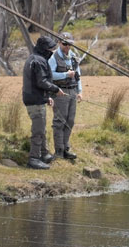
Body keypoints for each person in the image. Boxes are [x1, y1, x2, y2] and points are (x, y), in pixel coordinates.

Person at [21, 36, 64, 169]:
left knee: (42, 127)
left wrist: (46, 98)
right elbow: (41, 82)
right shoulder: (38, 61)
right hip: (34, 100)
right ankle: (33, 159)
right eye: (50, 49)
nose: (52, 51)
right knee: (38, 130)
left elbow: (36, 82)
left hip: (35, 98)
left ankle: (44, 154)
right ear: (44, 49)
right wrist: (56, 89)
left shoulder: (34, 58)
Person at [49, 32, 83, 161]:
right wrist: (65, 75)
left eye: (70, 44)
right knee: (59, 122)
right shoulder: (53, 57)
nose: (67, 46)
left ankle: (65, 149)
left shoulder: (73, 56)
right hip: (60, 92)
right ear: (59, 43)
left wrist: (80, 91)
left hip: (73, 91)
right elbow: (50, 75)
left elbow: (78, 75)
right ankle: (58, 150)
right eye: (64, 44)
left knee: (70, 121)